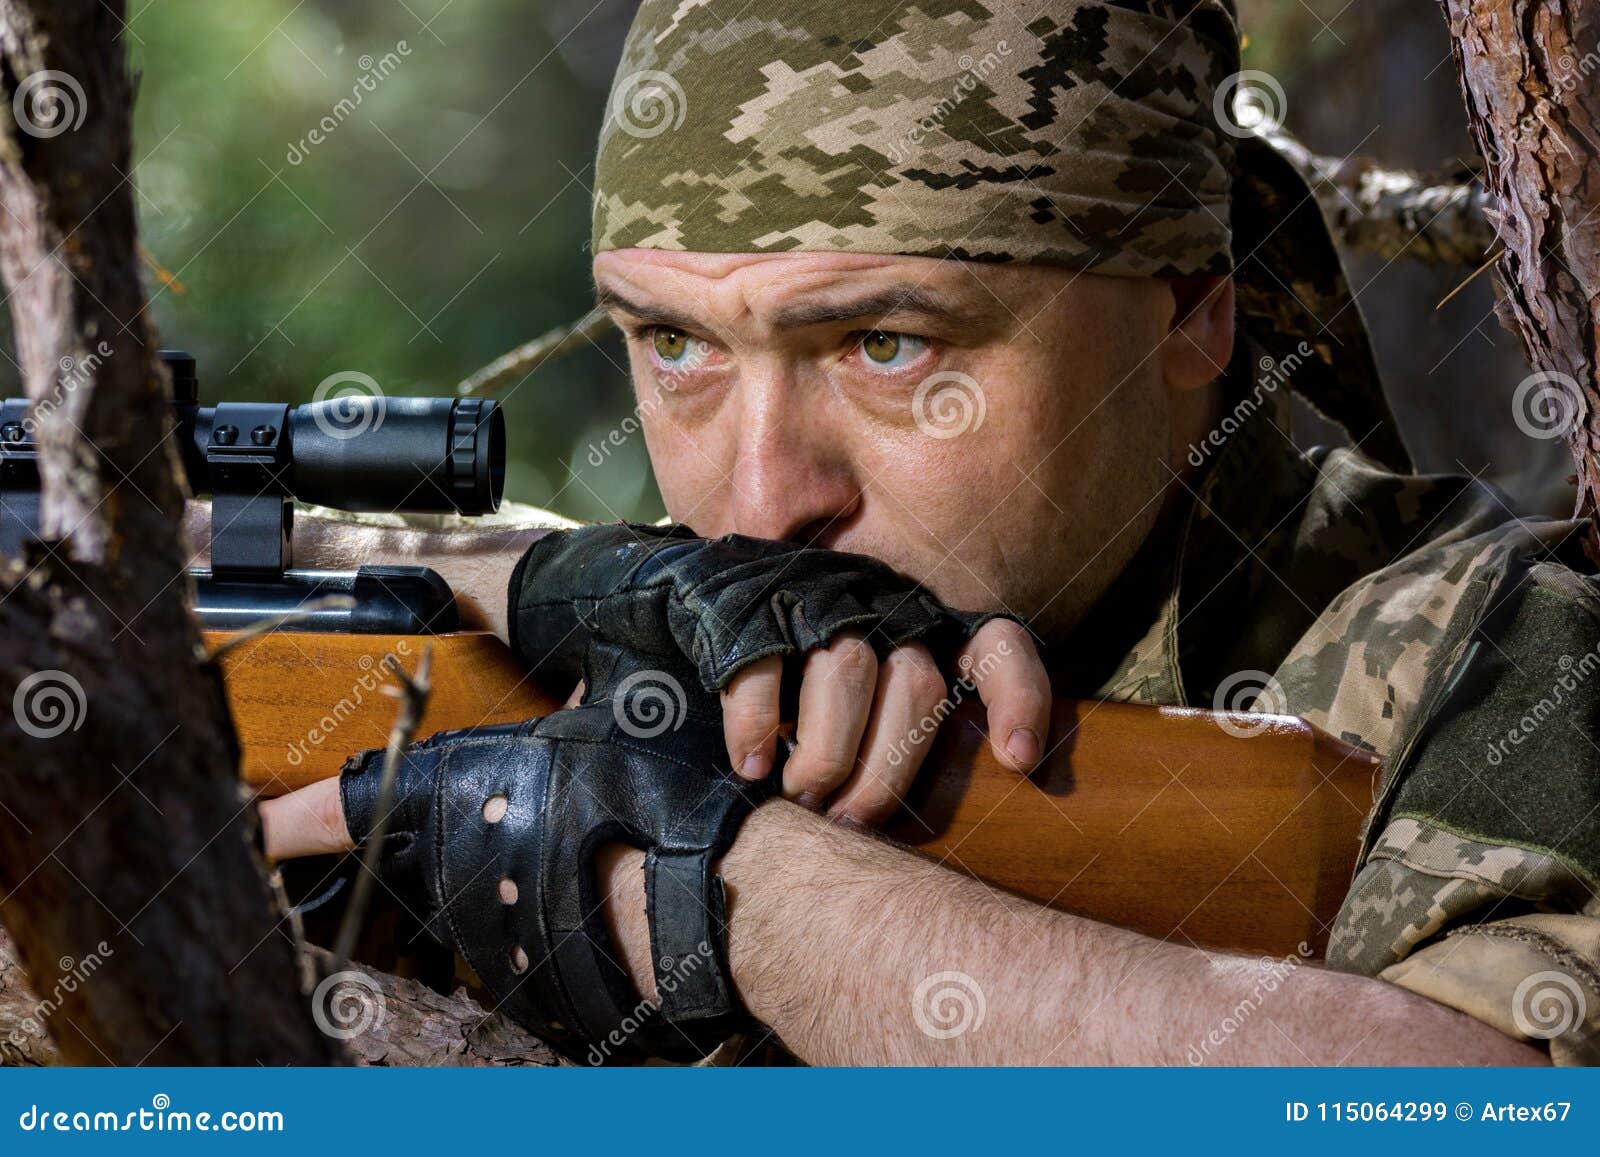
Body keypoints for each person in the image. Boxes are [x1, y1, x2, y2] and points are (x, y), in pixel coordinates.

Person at [257, 0, 1600, 1064]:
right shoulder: (644, 629)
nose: (767, 498)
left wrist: (717, 892)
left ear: (1196, 305)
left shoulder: (1483, 659)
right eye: (676, 345)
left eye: (887, 345)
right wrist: (525, 570)